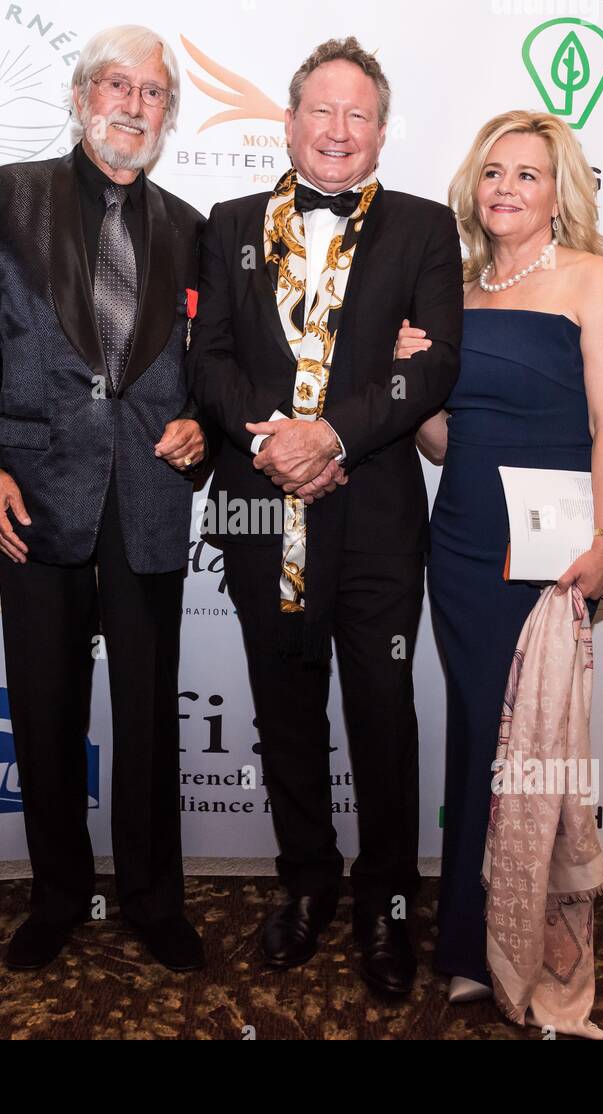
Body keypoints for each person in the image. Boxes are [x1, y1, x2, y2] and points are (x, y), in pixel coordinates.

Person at [189, 37, 463, 996]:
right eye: (322, 111)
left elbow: (430, 369)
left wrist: (332, 436)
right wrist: (272, 446)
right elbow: (209, 358)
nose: (338, 131)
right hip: (262, 514)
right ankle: (306, 882)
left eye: (358, 114)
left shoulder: (427, 229)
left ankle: (389, 908)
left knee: (384, 717)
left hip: (378, 517)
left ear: (382, 131)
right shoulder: (225, 226)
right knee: (285, 710)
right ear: (291, 120)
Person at [0, 25, 207, 974]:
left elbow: (211, 371)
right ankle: (58, 895)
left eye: (153, 94)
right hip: (33, 496)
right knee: (45, 708)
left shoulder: (193, 230)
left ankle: (154, 899)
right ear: (79, 94)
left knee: (149, 718)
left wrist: (206, 431)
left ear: (169, 116)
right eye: (118, 85)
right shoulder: (3, 200)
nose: (133, 106)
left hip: (147, 496)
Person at [398, 110, 603, 1004]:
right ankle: (471, 938)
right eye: (493, 172)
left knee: (528, 748)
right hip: (459, 542)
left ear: (557, 191)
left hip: (546, 550)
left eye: (527, 174)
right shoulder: (453, 293)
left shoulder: (593, 281)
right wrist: (409, 374)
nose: (506, 188)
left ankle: (506, 942)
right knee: (476, 739)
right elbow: (436, 441)